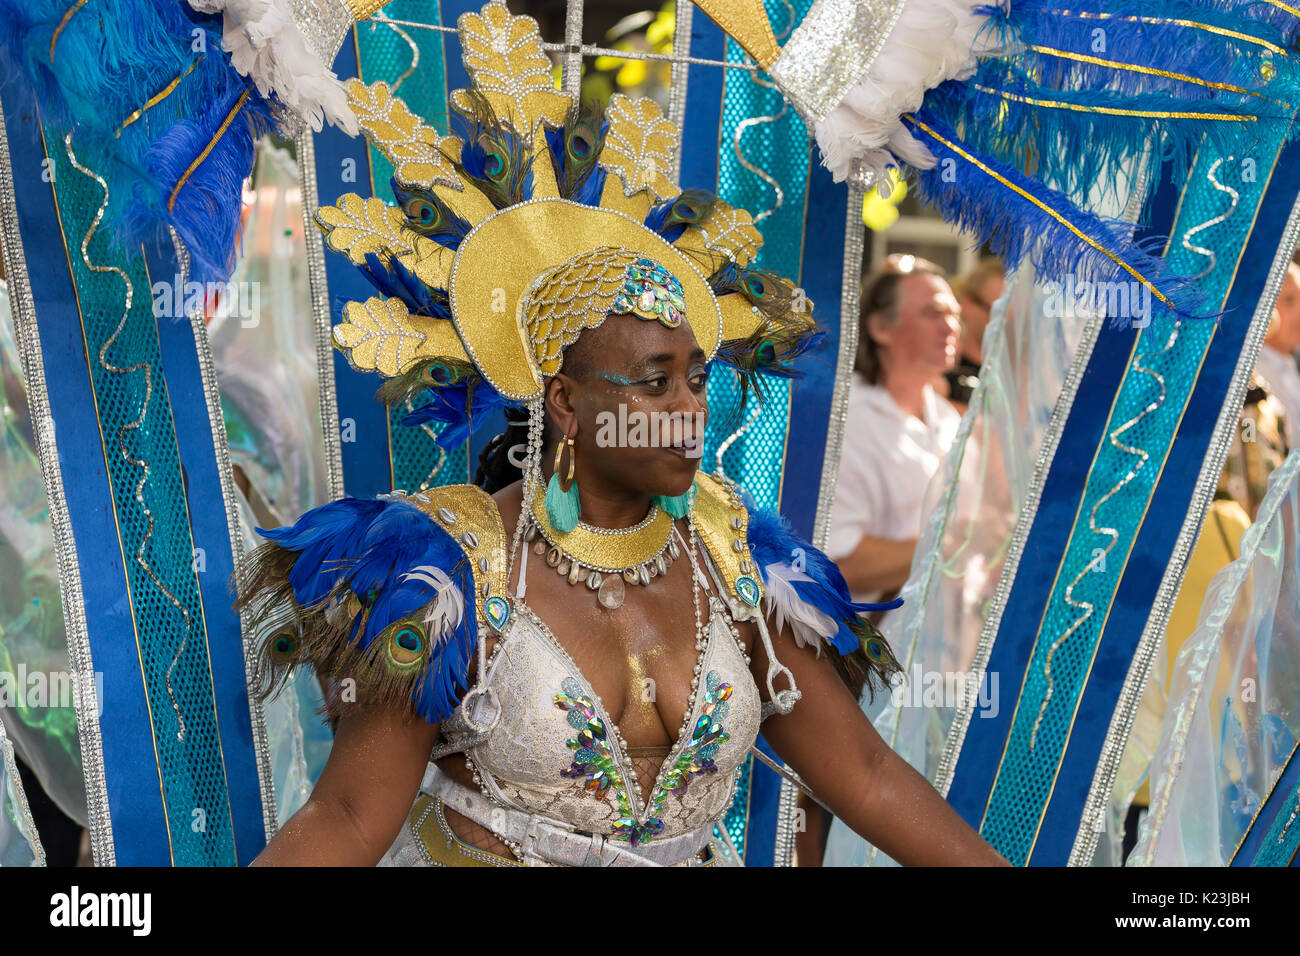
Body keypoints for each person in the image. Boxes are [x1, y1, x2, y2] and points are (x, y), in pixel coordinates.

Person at [234, 48, 1008, 868]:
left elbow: (867, 774)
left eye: (696, 381)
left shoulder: (734, 554)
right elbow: (350, 818)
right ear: (565, 401)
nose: (688, 410)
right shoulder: (452, 570)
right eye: (653, 384)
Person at [943, 258, 1004, 413]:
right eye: (997, 312)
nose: (1005, 324)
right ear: (968, 304)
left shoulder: (1020, 376)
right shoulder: (941, 365)